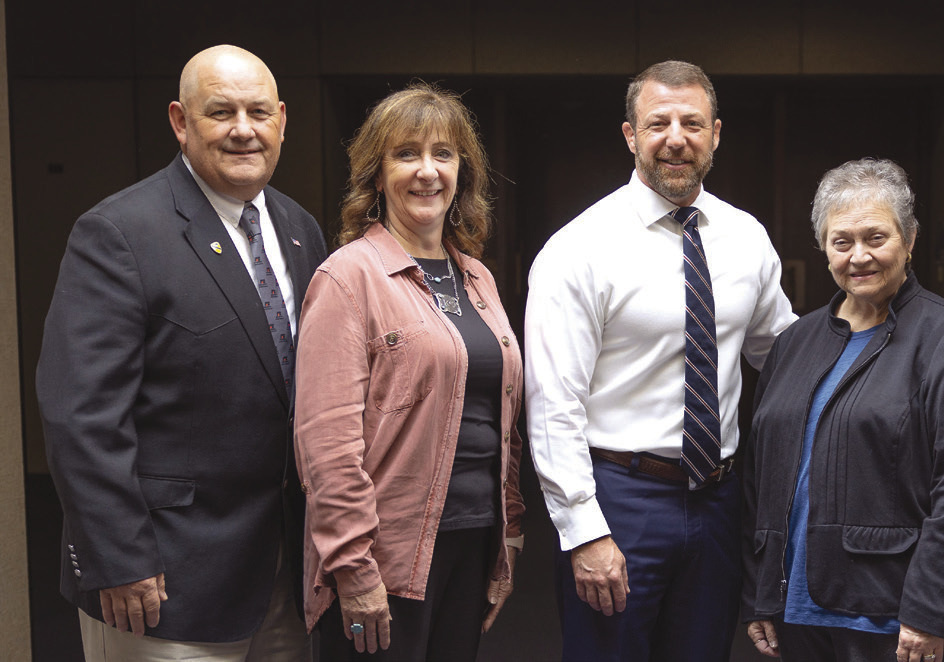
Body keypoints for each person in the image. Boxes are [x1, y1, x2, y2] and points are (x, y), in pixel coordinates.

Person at [36, 45, 326, 659]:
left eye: (257, 112)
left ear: (281, 120)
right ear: (179, 122)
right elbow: (80, 413)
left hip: (284, 571)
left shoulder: (301, 229)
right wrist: (116, 557)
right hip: (161, 581)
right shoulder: (119, 233)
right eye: (221, 112)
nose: (243, 130)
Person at [524, 60, 797, 661]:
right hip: (620, 499)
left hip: (719, 500)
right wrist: (584, 531)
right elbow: (552, 405)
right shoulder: (578, 249)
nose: (676, 138)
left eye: (692, 123)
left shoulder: (746, 238)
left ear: (716, 134)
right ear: (630, 136)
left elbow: (785, 357)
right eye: (658, 123)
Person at [740, 158, 944, 662]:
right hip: (797, 612)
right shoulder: (793, 343)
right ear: (823, 249)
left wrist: (931, 609)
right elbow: (761, 479)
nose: (858, 256)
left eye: (876, 238)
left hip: (898, 614)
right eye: (842, 242)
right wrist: (759, 591)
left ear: (910, 239)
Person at [293, 82, 524, 661]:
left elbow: (504, 418)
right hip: (386, 558)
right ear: (377, 174)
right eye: (406, 154)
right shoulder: (348, 278)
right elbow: (326, 444)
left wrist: (509, 534)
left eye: (443, 154)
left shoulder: (477, 278)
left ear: (462, 173)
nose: (427, 171)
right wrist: (353, 565)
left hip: (473, 543)